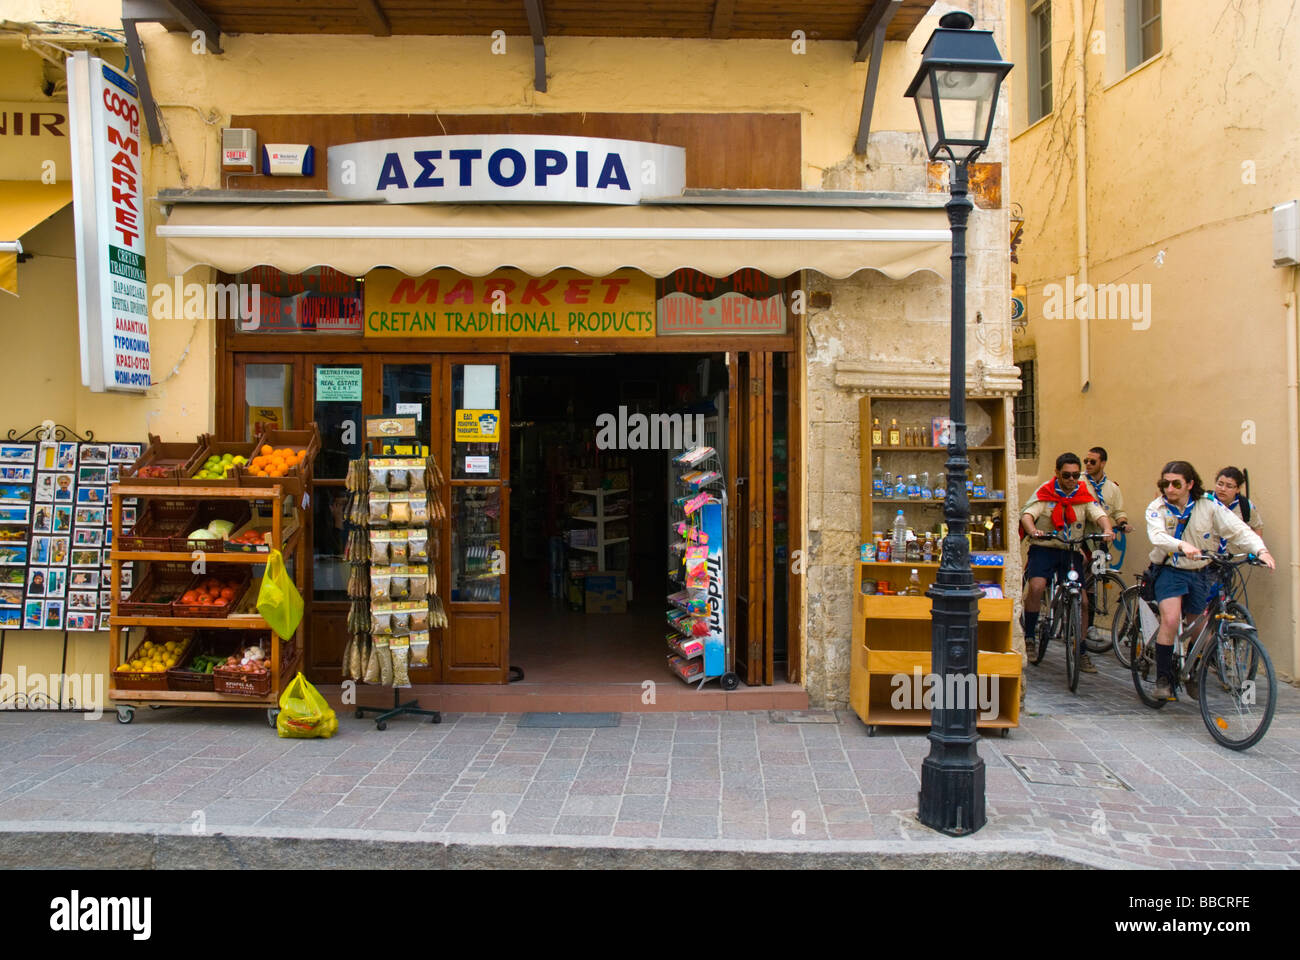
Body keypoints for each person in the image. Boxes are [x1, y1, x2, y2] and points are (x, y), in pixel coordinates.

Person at [1144, 460, 1274, 701]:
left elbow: (1238, 529)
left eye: (1175, 484)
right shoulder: (1157, 507)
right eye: (1165, 483)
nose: (1169, 489)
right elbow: (1157, 536)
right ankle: (1163, 678)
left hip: (1200, 572)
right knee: (1171, 620)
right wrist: (1181, 545)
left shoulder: (1208, 505)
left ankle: (1193, 671)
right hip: (1171, 569)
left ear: (1190, 484)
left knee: (1201, 629)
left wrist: (1260, 550)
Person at [1021, 452, 1115, 672]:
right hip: (1045, 547)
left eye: (1075, 475)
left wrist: (1107, 529)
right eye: (1067, 476)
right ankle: (1030, 637)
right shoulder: (1045, 492)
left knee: (1082, 601)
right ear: (1057, 473)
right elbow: (1028, 514)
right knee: (1036, 586)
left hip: (1070, 549)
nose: (1072, 480)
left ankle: (1080, 650)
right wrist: (1033, 529)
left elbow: (1097, 512)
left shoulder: (1083, 493)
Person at [1082, 446, 1131, 643]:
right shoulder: (1079, 483)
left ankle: (1090, 624)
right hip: (1082, 539)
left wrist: (1123, 523)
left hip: (1101, 541)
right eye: (1086, 461)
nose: (1088, 465)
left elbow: (1118, 511)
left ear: (1102, 463)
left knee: (1095, 581)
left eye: (1092, 462)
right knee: (1081, 571)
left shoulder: (1112, 488)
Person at [1210, 467, 1262, 553]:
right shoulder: (1205, 502)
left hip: (1233, 559)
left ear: (1238, 489)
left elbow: (1257, 527)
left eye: (1229, 486)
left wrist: (1256, 550)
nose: (1223, 489)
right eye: (1220, 484)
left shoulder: (1245, 506)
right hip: (1205, 558)